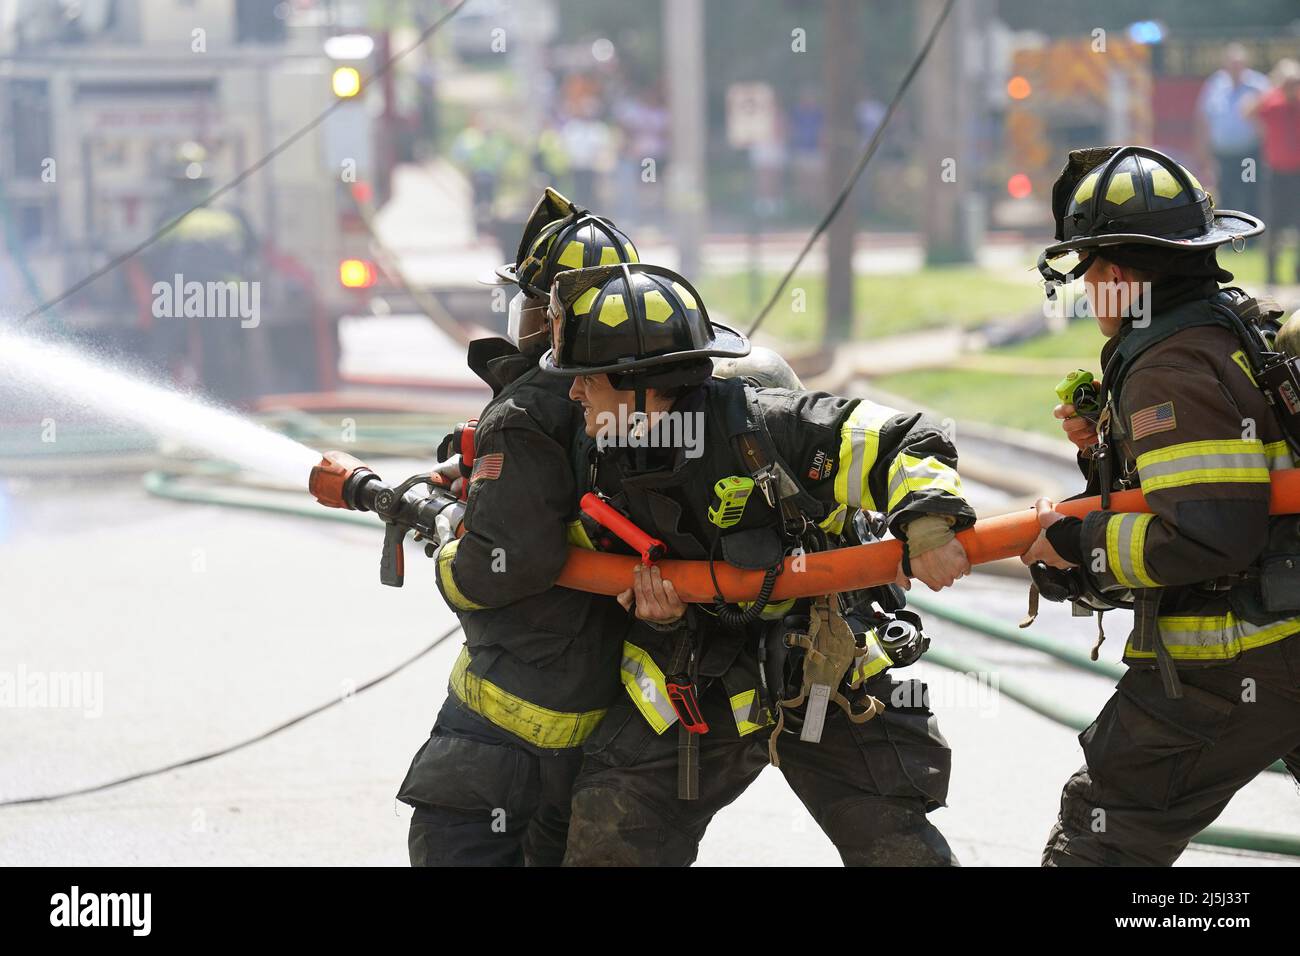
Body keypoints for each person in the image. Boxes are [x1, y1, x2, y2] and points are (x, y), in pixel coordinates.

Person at [540, 262, 976, 866]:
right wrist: (657, 613)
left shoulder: (766, 429)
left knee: (895, 848)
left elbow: (906, 438)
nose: (573, 393)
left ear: (638, 382)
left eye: (589, 379)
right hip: (693, 673)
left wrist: (927, 524)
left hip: (825, 666)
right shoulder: (598, 452)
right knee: (613, 826)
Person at [1027, 145, 1300, 866]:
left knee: (1107, 829)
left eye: (1087, 271)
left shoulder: (1172, 368)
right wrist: (1104, 456)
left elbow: (1208, 535)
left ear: (1118, 276)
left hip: (1231, 659)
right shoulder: (1243, 330)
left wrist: (1075, 546)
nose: (1087, 289)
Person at [396, 188, 640, 866]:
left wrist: (449, 535)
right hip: (608, 722)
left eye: (530, 301)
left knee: (454, 846)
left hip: (509, 723)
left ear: (549, 312)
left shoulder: (530, 409)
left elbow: (497, 565)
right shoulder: (644, 393)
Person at [1194, 43, 1270, 216]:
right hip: (1223, 155)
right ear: (1225, 64)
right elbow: (1203, 119)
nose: (1235, 68)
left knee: (1249, 189)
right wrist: (1203, 150)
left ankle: (1253, 234)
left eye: (1239, 64)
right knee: (1226, 191)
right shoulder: (1215, 85)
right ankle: (1231, 234)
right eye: (1232, 64)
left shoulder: (1258, 85)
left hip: (1249, 154)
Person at [1244, 58, 1300, 286]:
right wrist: (1273, 85)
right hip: (1276, 174)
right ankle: (1271, 273)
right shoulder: (1272, 102)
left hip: (1297, 173)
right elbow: (1247, 111)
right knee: (1273, 225)